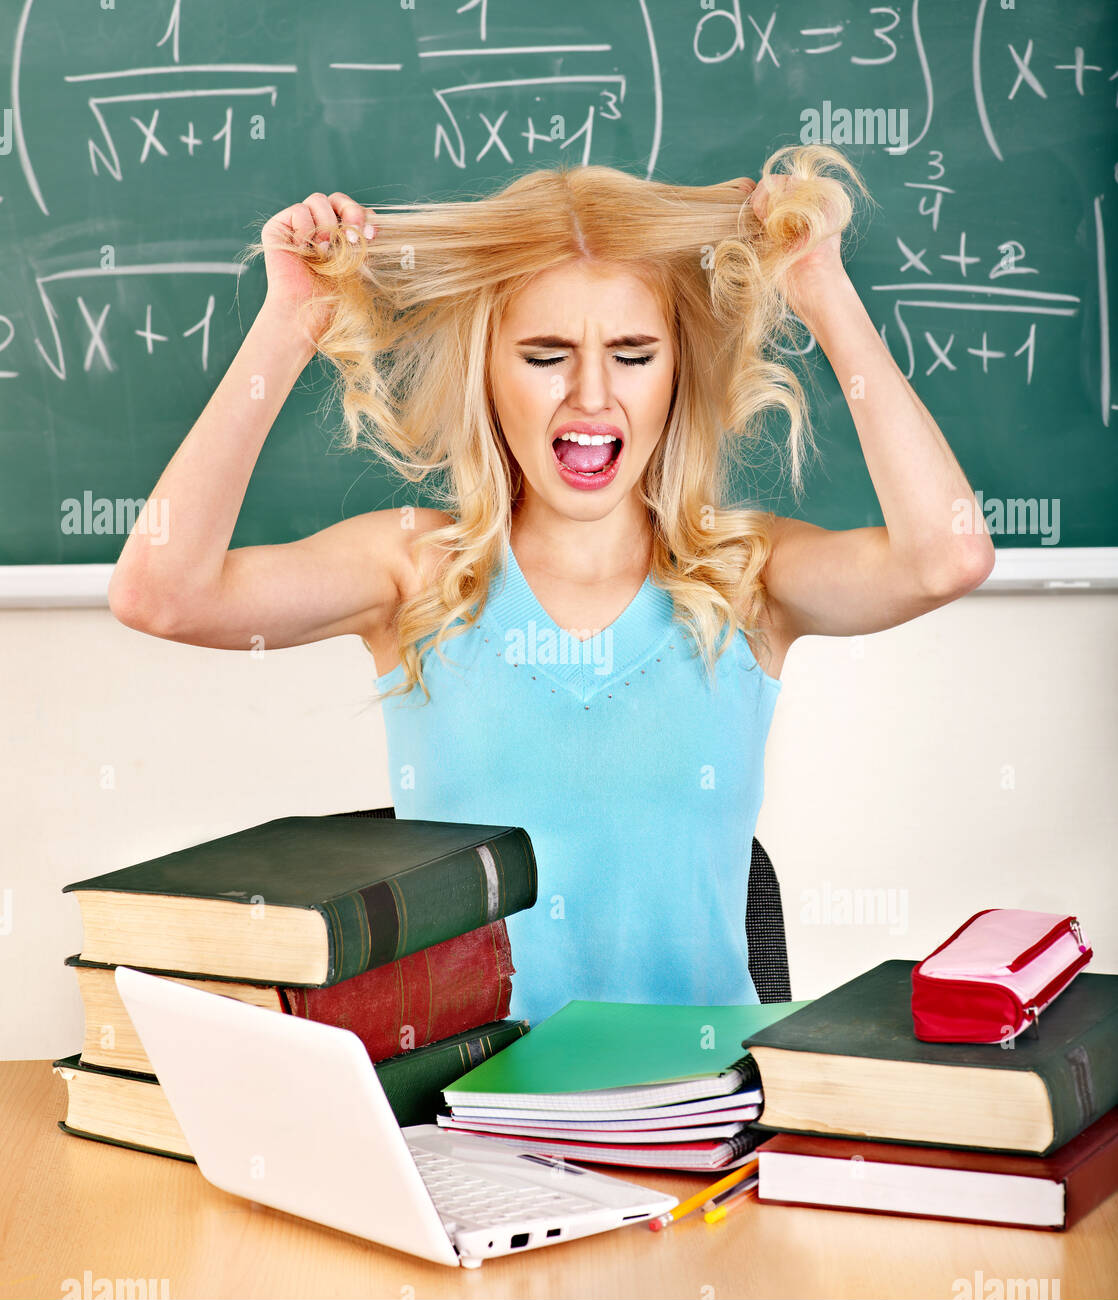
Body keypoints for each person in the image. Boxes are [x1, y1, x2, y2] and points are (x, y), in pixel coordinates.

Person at [108, 147, 995, 1025]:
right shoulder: (414, 570)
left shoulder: (748, 577)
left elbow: (945, 557)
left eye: (634, 354)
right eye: (545, 356)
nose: (592, 396)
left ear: (677, 371)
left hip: (702, 1100)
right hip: (470, 1098)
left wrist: (819, 285)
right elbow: (162, 593)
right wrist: (290, 323)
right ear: (488, 373)